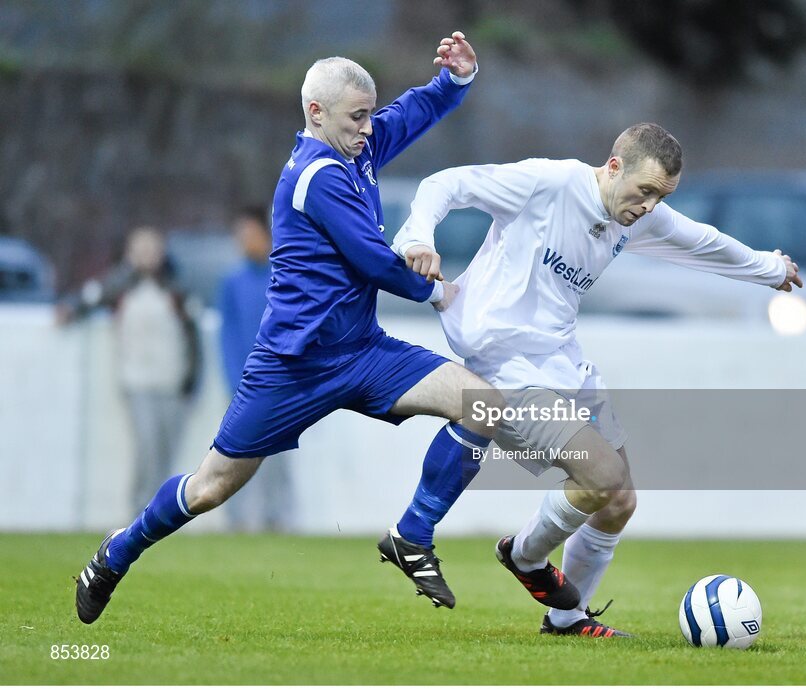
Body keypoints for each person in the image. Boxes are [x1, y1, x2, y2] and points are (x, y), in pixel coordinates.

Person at [75, 32, 505, 625]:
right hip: (292, 366)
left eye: (369, 115)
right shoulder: (316, 176)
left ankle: (413, 533)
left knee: (482, 404)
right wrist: (436, 290)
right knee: (208, 490)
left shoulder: (357, 145)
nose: (368, 128)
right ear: (316, 113)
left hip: (363, 353)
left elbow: (408, 116)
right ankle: (113, 555)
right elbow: (371, 259)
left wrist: (453, 80)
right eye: (357, 117)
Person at [392, 123, 802, 637]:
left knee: (619, 502)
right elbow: (446, 184)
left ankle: (566, 619)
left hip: (564, 362)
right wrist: (416, 238)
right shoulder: (550, 183)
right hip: (506, 367)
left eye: (661, 196)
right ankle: (524, 556)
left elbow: (702, 241)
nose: (650, 205)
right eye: (645, 190)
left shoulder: (636, 216)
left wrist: (768, 268)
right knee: (601, 476)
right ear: (613, 167)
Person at [59, 227, 201, 509]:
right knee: (147, 447)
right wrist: (70, 310)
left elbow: (193, 339)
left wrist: (191, 379)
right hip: (137, 381)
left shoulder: (175, 289)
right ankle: (140, 509)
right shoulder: (122, 286)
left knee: (166, 452)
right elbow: (92, 297)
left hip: (171, 381)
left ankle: (164, 512)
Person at [218, 206, 292, 532]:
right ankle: (235, 519)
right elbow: (228, 335)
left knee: (277, 456)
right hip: (244, 387)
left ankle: (276, 516)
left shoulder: (285, 275)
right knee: (234, 454)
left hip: (280, 384)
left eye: (249, 234)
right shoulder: (232, 283)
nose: (243, 241)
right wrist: (236, 380)